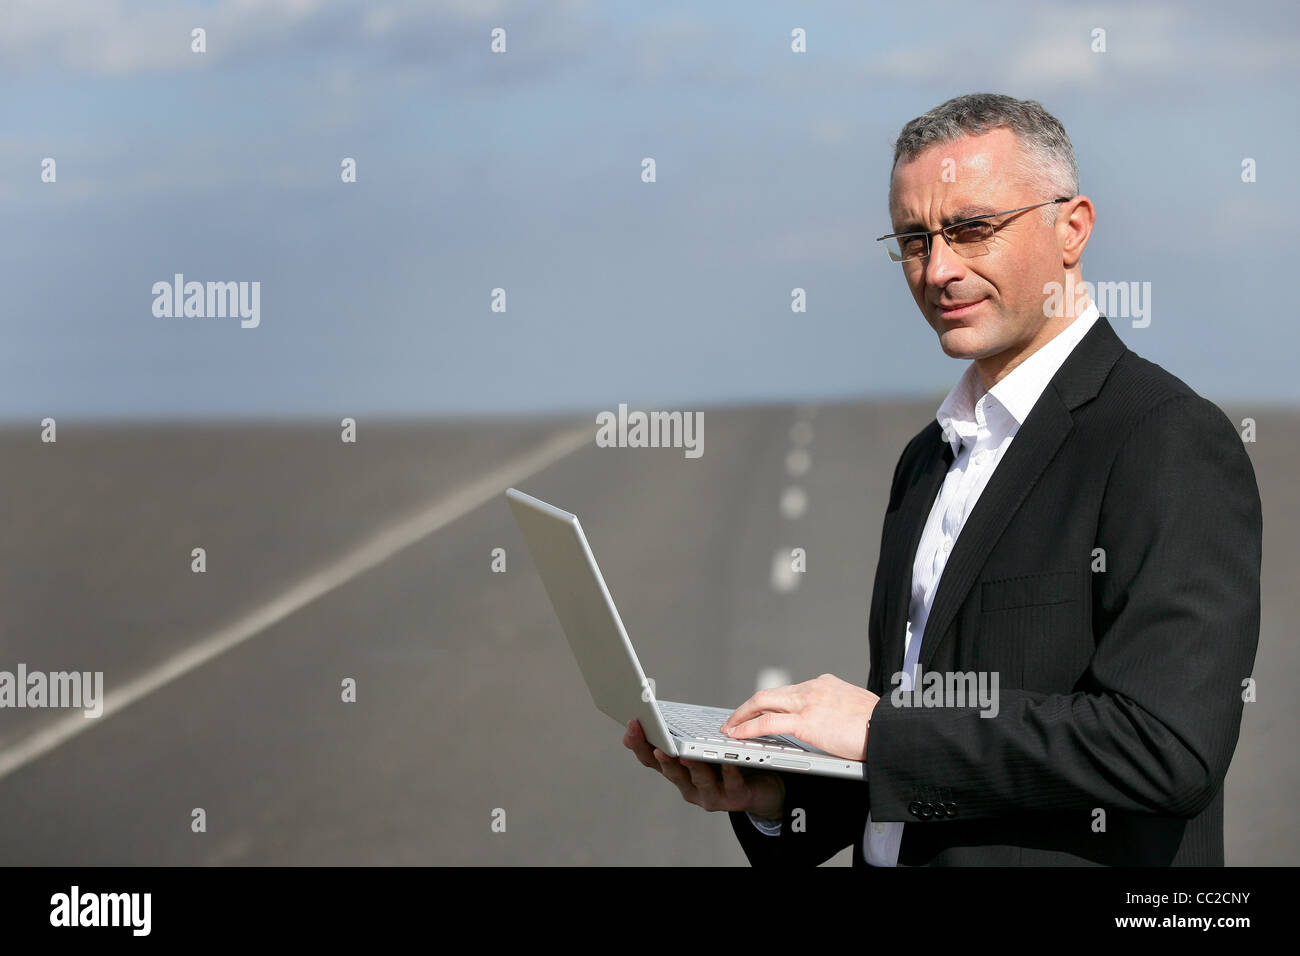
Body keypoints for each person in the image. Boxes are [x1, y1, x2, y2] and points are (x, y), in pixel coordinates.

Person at [622, 92, 1262, 866]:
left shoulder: (1165, 440)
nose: (939, 269)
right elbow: (914, 756)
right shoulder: (930, 456)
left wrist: (878, 730)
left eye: (972, 229)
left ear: (1073, 227)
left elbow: (1166, 748)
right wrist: (777, 796)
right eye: (915, 240)